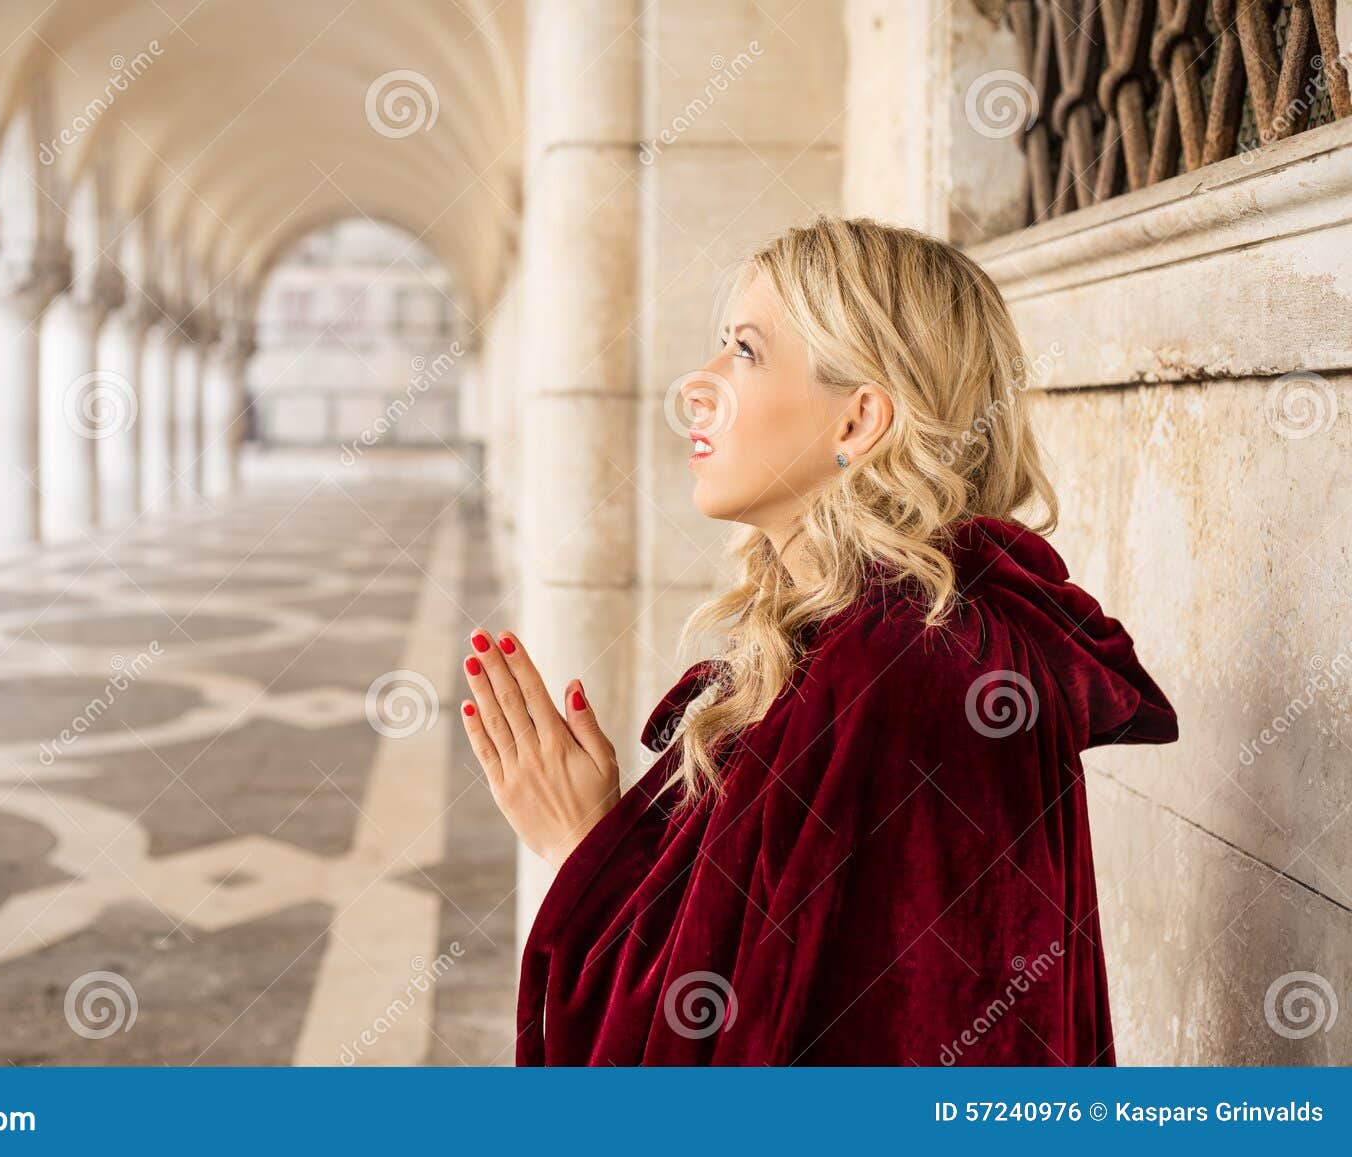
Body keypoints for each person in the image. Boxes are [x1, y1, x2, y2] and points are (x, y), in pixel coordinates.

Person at [458, 215, 1178, 1065]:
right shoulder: (873, 644)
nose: (699, 384)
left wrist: (585, 849)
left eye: (746, 352)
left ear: (858, 420)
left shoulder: (898, 672)